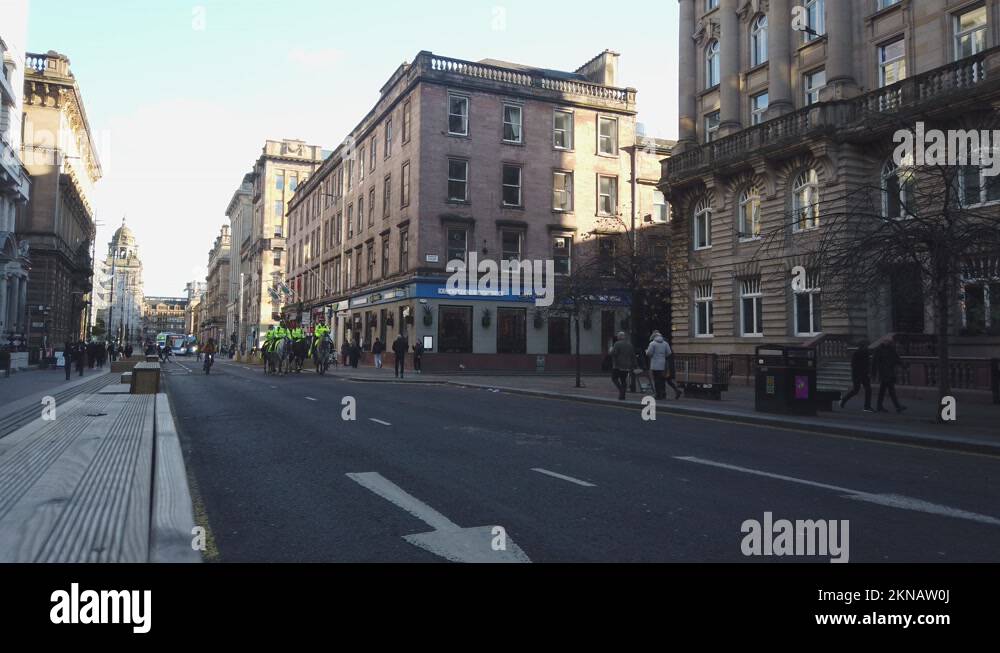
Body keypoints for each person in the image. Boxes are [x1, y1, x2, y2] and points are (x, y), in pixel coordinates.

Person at [873, 338, 907, 414]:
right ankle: (897, 407)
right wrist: (874, 373)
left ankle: (880, 406)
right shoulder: (879, 350)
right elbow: (874, 362)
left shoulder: (891, 349)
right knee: (890, 391)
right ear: (883, 342)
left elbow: (896, 358)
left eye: (889, 342)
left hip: (890, 373)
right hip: (884, 373)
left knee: (884, 391)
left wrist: (903, 365)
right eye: (887, 341)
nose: (889, 343)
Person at [646, 332, 682, 401]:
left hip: (655, 364)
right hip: (663, 364)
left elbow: (649, 353)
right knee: (662, 379)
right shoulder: (665, 343)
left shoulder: (652, 343)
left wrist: (647, 352)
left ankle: (658, 394)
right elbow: (669, 353)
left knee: (656, 380)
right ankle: (662, 394)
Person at [840, 341, 874, 412]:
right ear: (862, 347)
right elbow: (853, 365)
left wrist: (867, 371)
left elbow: (867, 364)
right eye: (865, 346)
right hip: (857, 374)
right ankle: (843, 400)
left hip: (864, 374)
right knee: (856, 390)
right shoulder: (857, 353)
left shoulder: (866, 353)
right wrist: (861, 371)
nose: (867, 347)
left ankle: (867, 406)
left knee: (868, 389)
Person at [610, 332, 635, 401]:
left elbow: (614, 353)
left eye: (618, 336)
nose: (617, 337)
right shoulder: (630, 344)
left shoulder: (617, 344)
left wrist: (611, 350)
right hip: (627, 365)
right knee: (623, 380)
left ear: (619, 337)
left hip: (618, 365)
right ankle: (622, 395)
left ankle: (621, 390)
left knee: (614, 378)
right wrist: (633, 365)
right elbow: (632, 355)